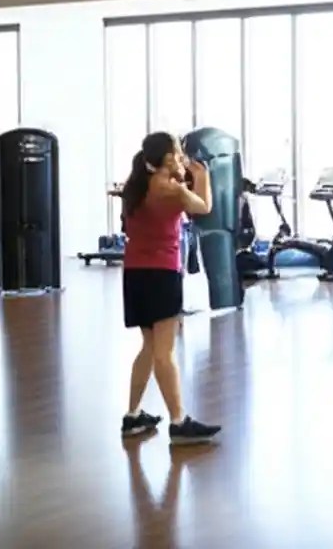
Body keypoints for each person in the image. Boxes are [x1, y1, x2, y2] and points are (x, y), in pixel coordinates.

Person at [120, 132, 221, 444]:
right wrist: (202, 176)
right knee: (164, 352)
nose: (181, 157)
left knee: (150, 348)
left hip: (135, 273)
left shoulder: (135, 185)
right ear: (166, 157)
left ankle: (133, 416)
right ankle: (179, 422)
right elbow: (204, 207)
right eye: (177, 153)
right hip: (161, 274)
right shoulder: (171, 190)